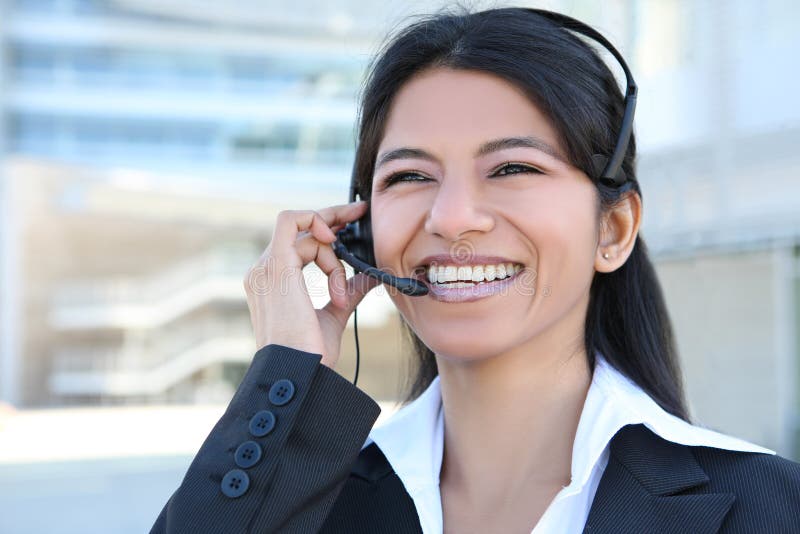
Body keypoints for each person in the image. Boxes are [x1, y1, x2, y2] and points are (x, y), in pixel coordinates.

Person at [151, 6, 800, 533]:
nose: (453, 217)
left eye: (513, 168)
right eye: (409, 175)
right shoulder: (300, 502)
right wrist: (285, 376)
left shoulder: (768, 508)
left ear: (615, 229)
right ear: (361, 232)